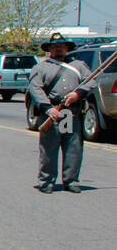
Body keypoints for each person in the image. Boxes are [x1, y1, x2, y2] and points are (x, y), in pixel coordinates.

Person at [28, 32, 92, 193]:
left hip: (69, 114)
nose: (58, 49)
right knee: (49, 150)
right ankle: (46, 181)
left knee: (72, 148)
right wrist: (48, 108)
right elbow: (35, 88)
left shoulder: (78, 66)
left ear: (66, 48)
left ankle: (71, 180)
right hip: (52, 112)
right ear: (49, 49)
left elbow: (91, 81)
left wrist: (78, 94)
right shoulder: (41, 68)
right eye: (55, 47)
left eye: (61, 46)